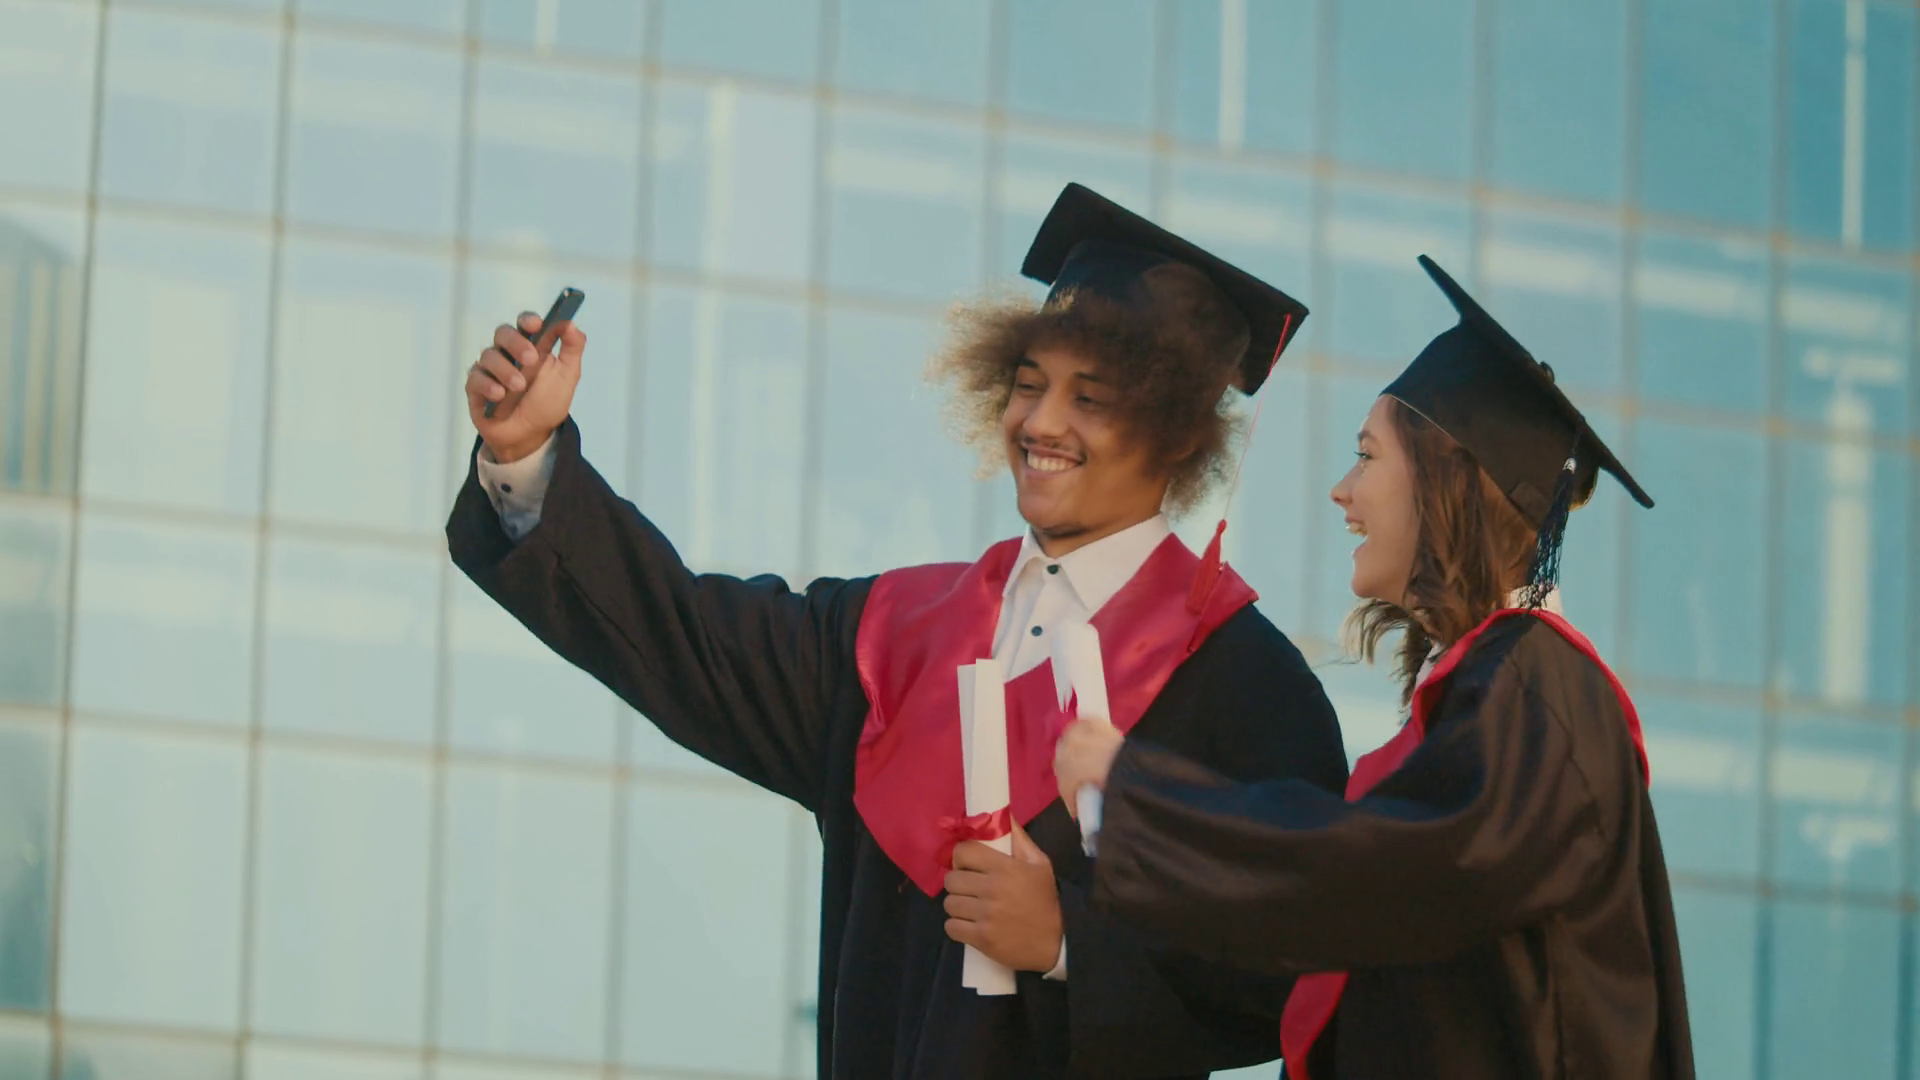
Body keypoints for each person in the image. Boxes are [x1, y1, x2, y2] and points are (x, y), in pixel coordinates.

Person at [446, 183, 1349, 1079]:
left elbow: (1285, 974)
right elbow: (682, 634)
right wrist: (527, 454)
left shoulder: (1241, 682)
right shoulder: (893, 632)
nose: (1040, 423)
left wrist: (1071, 942)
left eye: (1090, 399)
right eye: (1028, 387)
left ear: (1178, 435)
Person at [1055, 255, 1694, 1079]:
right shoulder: (1492, 689)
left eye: (1366, 456)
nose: (1341, 490)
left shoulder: (1540, 689)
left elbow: (1394, 871)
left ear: (1445, 475)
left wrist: (1147, 797)